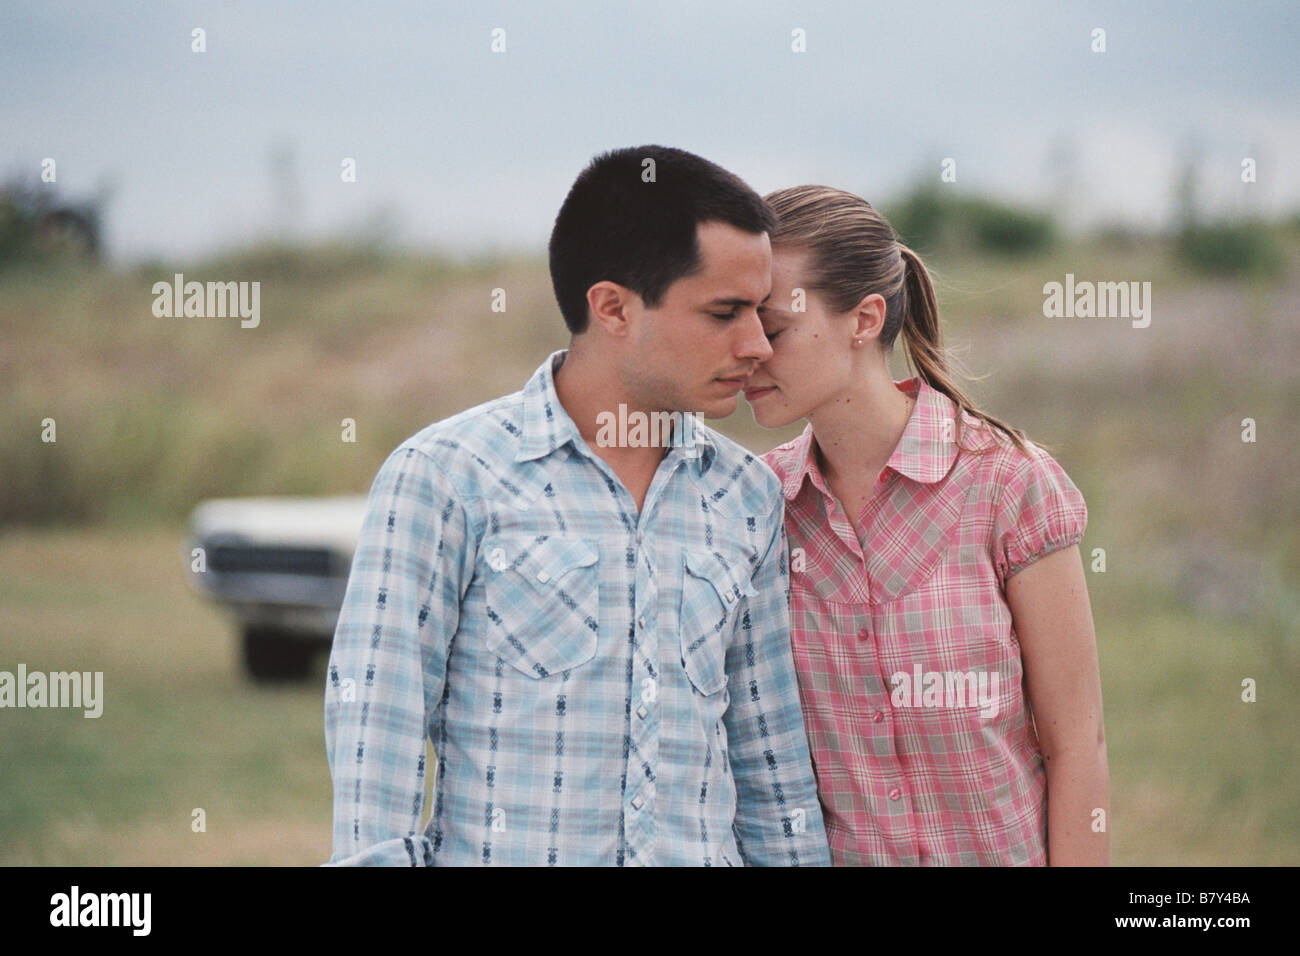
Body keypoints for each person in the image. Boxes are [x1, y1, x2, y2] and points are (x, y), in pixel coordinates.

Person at [323, 146, 830, 866]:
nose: (756, 345)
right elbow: (379, 732)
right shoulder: (446, 478)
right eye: (725, 312)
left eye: (760, 313)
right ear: (613, 308)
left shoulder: (748, 497)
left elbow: (770, 764)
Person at [746, 184, 1109, 866]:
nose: (747, 352)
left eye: (773, 328)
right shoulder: (757, 508)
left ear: (864, 319)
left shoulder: (1009, 484)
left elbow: (1076, 743)